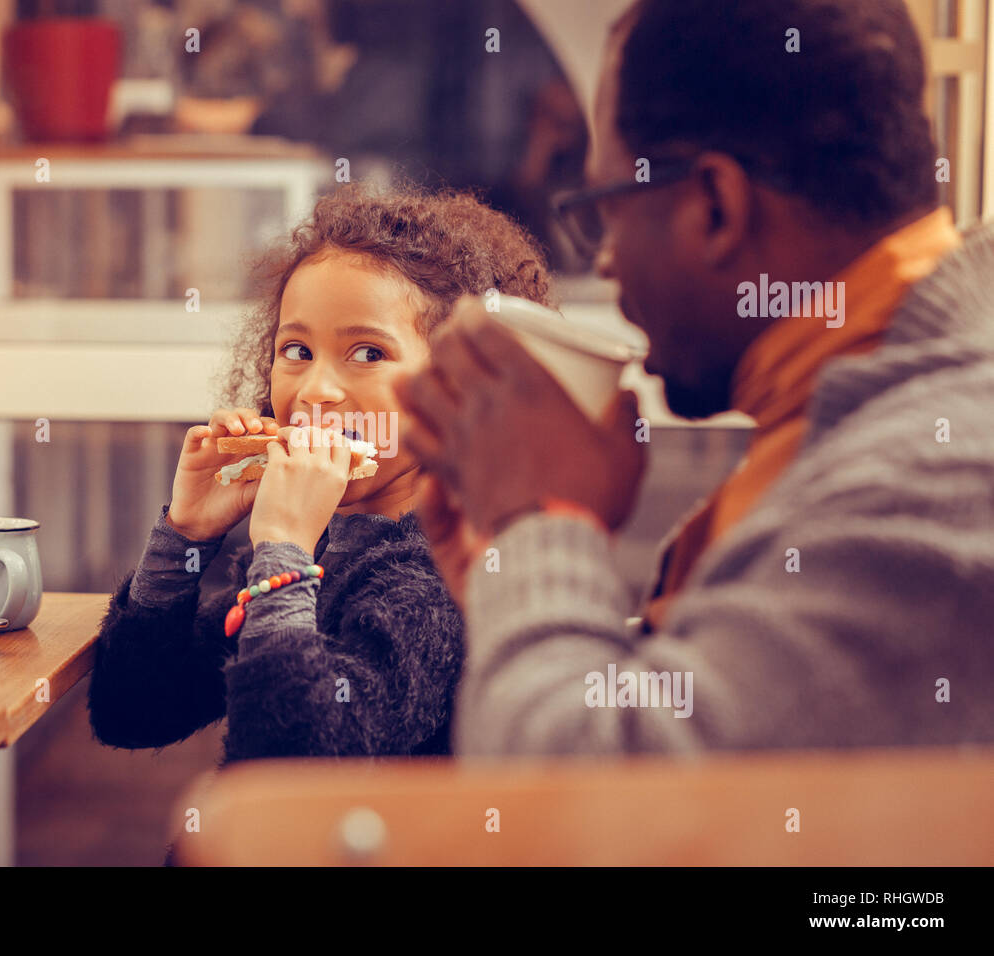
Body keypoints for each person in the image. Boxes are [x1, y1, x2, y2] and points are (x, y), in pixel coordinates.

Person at [397, 0, 994, 755]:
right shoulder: (868, 402)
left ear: (715, 206)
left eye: (607, 210)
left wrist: (539, 521)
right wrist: (512, 583)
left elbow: (597, 817)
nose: (606, 260)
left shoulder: (935, 480)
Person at [88, 185, 550, 767]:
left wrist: (283, 551)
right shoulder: (325, 546)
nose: (315, 393)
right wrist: (185, 536)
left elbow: (294, 757)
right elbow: (132, 709)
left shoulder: (440, 582)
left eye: (368, 353)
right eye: (298, 351)